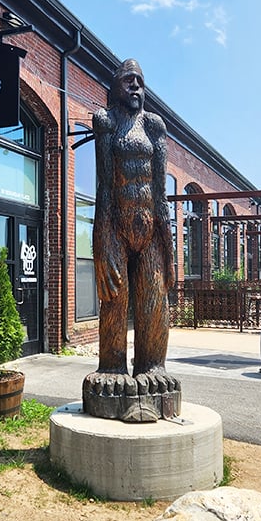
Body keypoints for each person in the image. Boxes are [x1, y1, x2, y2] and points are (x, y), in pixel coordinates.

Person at [82, 59, 180, 423]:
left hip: (151, 229)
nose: (135, 87)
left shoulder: (155, 126)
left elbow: (160, 196)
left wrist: (169, 254)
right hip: (117, 225)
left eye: (140, 81)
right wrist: (101, 243)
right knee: (114, 299)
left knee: (155, 302)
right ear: (116, 86)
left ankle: (153, 366)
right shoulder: (106, 121)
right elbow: (103, 188)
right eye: (128, 80)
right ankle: (111, 367)